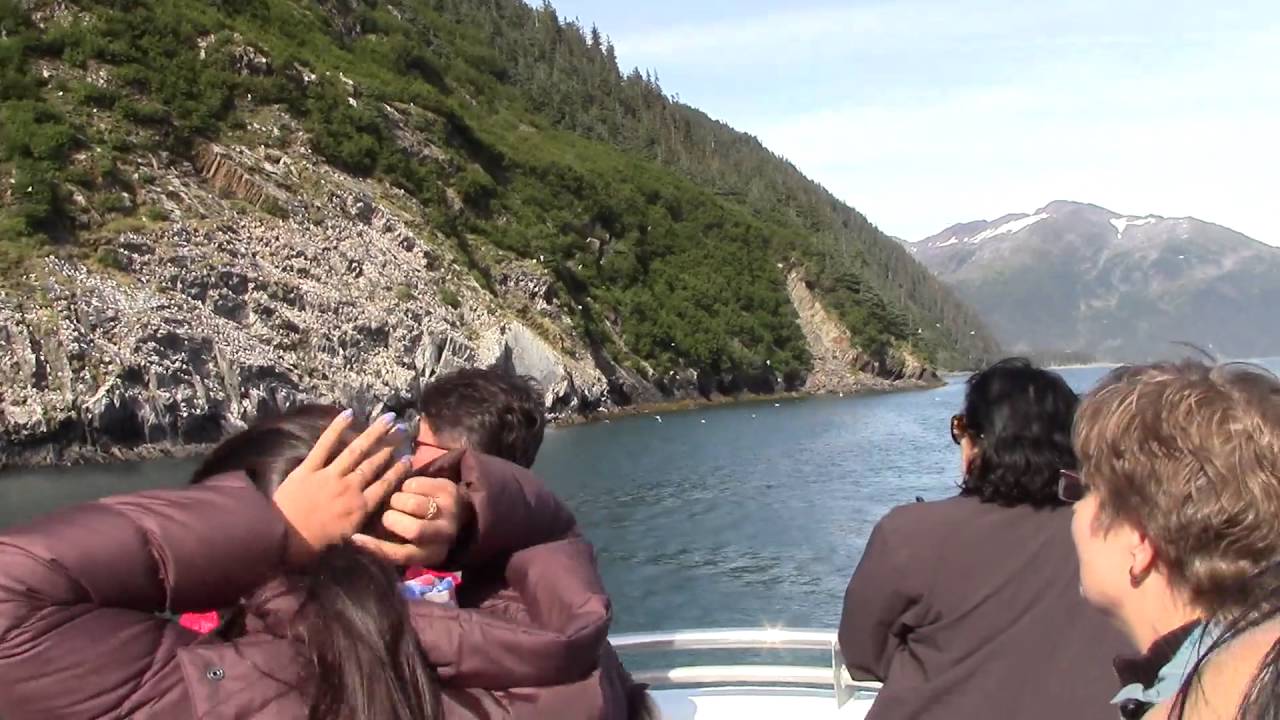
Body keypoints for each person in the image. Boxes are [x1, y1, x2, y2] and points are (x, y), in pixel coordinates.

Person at [0, 406, 644, 719]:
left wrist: (273, 530)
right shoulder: (545, 662)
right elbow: (559, 553)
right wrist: (476, 517)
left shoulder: (205, 689)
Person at [838, 357, 1128, 720]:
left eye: (961, 429)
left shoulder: (909, 534)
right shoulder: (1122, 537)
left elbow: (863, 655)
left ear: (979, 444)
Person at [1066, 360, 1280, 719]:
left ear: (1139, 542)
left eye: (1081, 490)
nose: (1072, 510)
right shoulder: (1259, 665)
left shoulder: (1200, 705)